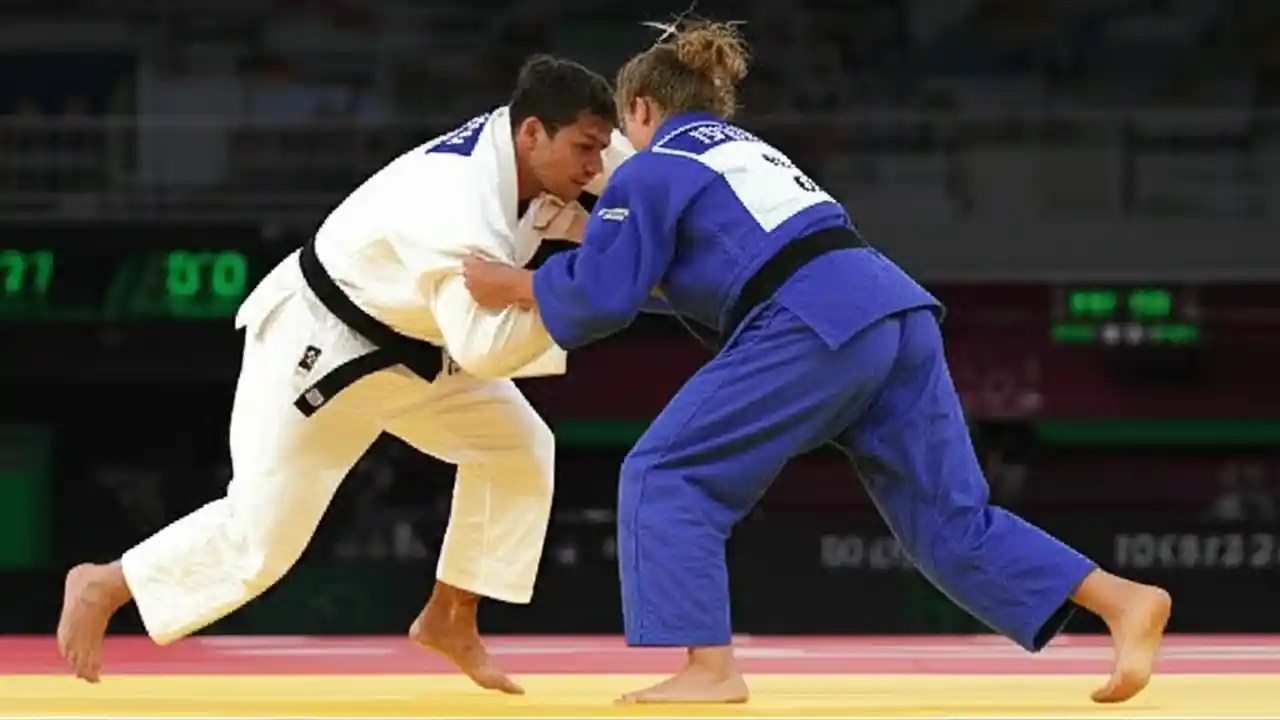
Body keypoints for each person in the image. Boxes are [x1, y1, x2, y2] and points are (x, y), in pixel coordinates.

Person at [461, 21, 1173, 706]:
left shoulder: (653, 168)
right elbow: (699, 268)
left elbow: (604, 299)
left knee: (667, 471)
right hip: (890, 310)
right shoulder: (747, 154)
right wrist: (596, 236)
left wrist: (514, 286)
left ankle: (708, 668)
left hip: (812, 321)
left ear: (640, 109)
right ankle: (1122, 599)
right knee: (950, 519)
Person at [56, 54, 633, 693]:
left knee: (519, 448)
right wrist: (576, 290)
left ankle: (451, 614)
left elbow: (635, 176)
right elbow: (487, 351)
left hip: (416, 346)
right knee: (261, 542)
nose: (592, 166)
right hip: (323, 349)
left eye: (599, 148)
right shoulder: (454, 202)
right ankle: (105, 583)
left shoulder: (556, 144)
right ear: (531, 133)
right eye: (584, 149)